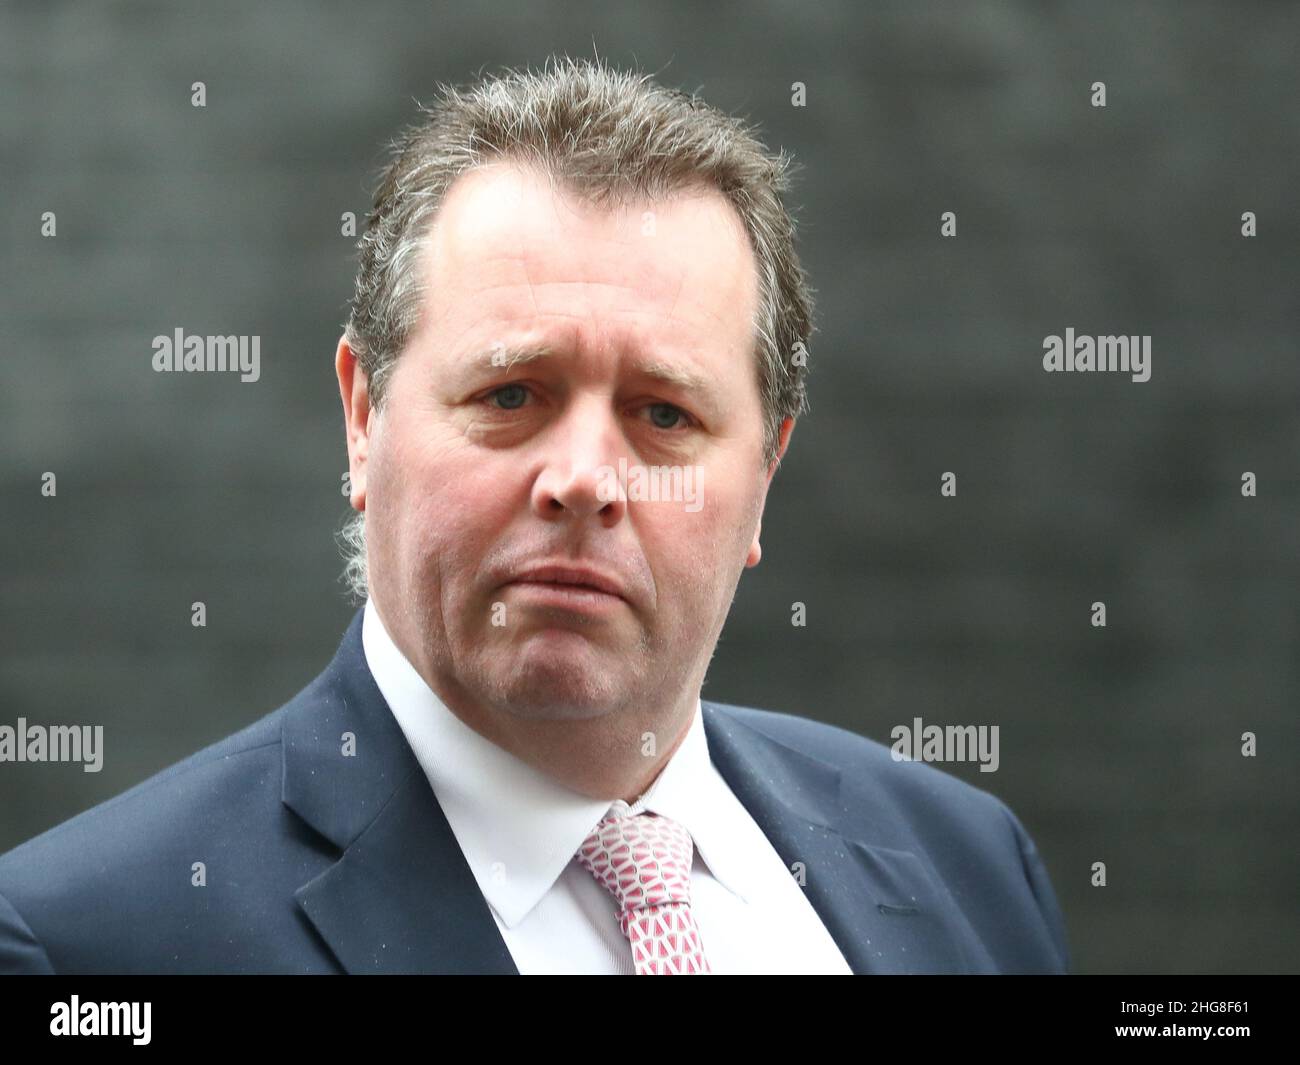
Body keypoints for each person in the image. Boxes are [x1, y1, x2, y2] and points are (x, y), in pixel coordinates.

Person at [0, 55, 1069, 975]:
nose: (585, 479)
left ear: (765, 474)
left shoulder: (967, 870)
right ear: (363, 417)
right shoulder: (94, 944)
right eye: (511, 395)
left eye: (664, 413)